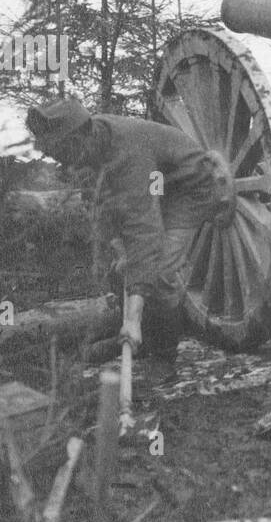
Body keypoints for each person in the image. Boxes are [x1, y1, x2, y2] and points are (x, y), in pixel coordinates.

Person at [26, 98, 233, 375]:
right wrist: (117, 246)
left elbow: (144, 233)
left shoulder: (127, 153)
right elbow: (99, 202)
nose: (60, 161)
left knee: (158, 273)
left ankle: (162, 354)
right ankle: (140, 339)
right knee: (122, 267)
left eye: (62, 152)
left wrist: (132, 317)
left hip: (191, 189)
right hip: (161, 187)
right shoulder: (93, 144)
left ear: (79, 137)